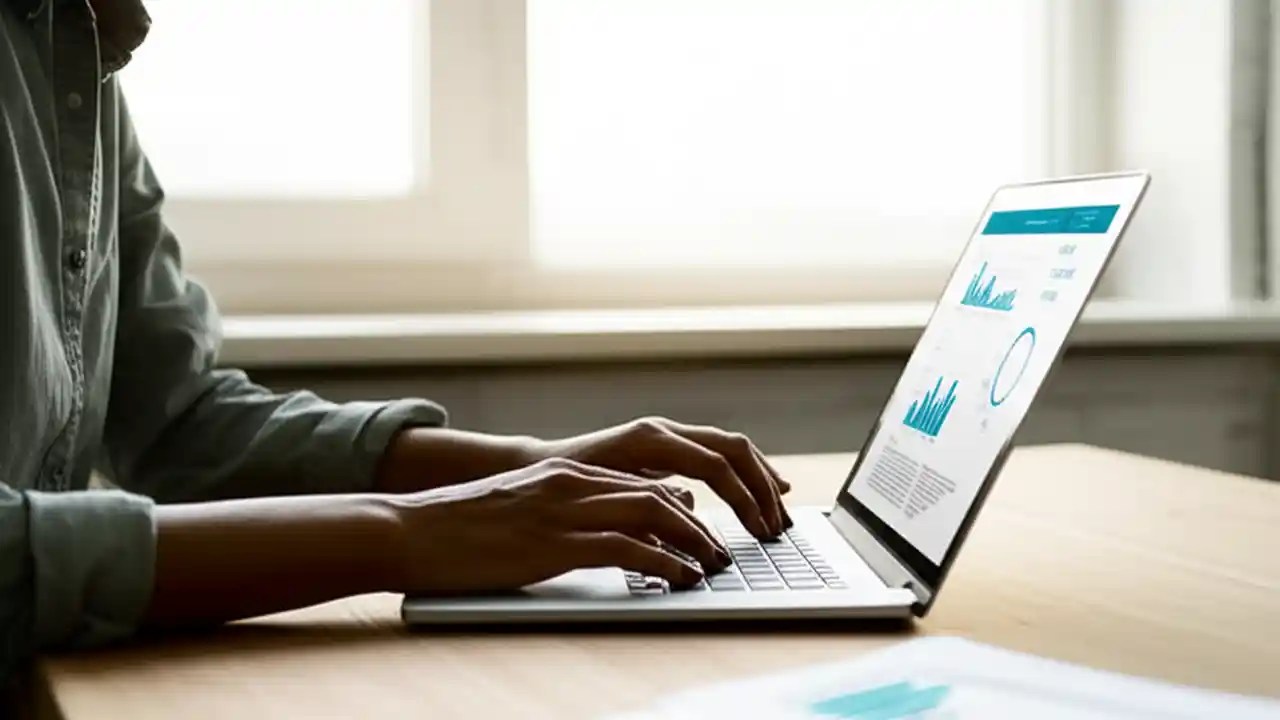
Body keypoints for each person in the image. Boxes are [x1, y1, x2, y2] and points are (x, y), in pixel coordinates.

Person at [0, 0, 792, 681]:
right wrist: (407, 531)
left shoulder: (75, 47)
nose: (141, 21)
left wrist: (525, 468)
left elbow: (177, 425)